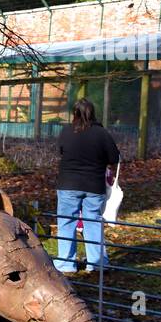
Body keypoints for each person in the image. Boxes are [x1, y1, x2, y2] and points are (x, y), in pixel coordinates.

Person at [54, 98, 120, 274]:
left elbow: (60, 151)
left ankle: (66, 263)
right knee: (92, 222)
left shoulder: (66, 132)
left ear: (74, 114)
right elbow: (114, 158)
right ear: (93, 114)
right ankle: (97, 263)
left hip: (68, 184)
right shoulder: (102, 134)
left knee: (67, 222)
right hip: (94, 187)